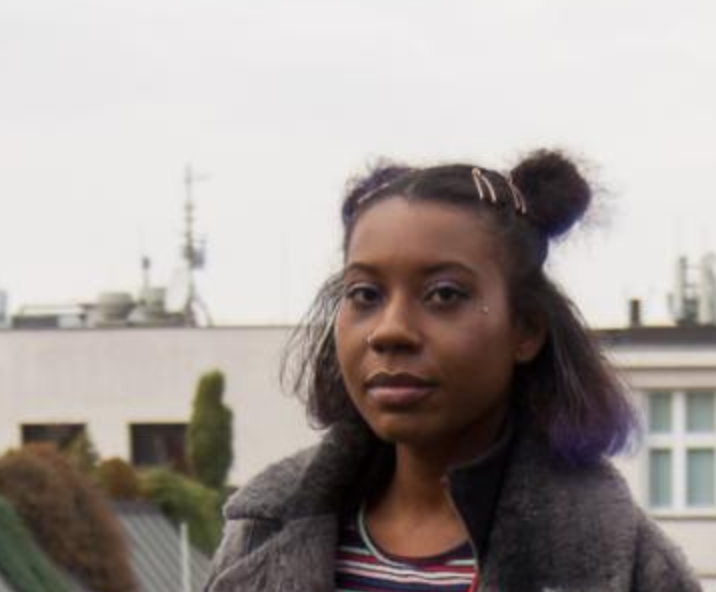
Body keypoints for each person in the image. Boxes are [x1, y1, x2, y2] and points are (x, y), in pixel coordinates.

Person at [205, 151, 701, 592]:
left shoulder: (627, 564)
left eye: (444, 294)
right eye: (365, 295)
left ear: (526, 329)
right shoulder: (260, 537)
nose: (390, 331)